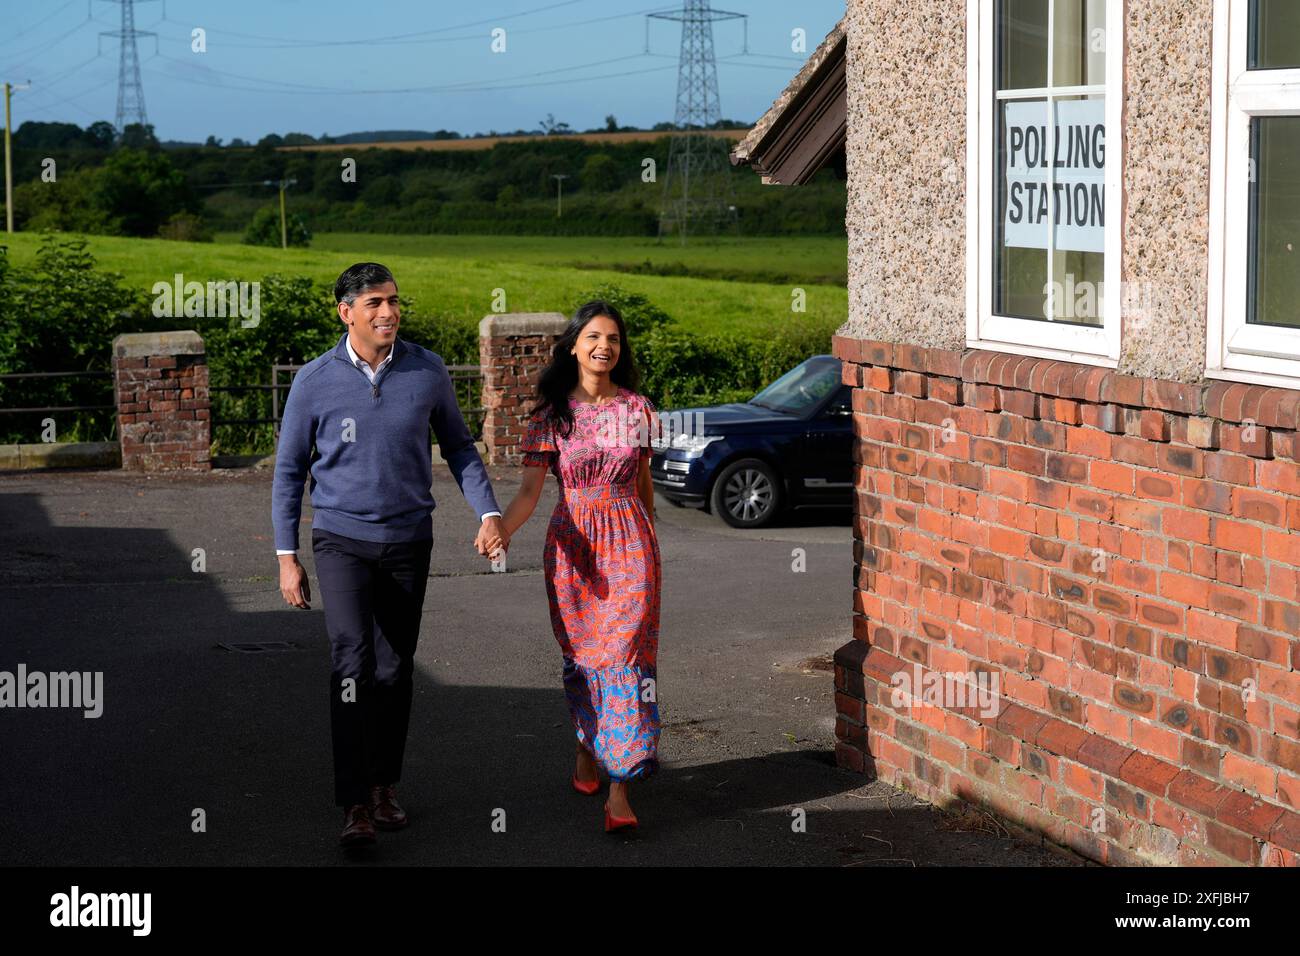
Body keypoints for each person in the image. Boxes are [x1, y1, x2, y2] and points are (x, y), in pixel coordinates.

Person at [271, 262, 506, 848]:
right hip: (341, 540)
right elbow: (288, 472)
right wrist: (286, 555)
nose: (388, 312)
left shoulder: (426, 371)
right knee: (351, 662)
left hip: (408, 540)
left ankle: (383, 786)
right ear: (345, 311)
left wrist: (488, 512)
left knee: (395, 667)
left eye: (394, 301)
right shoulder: (314, 380)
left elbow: (459, 446)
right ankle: (353, 801)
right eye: (374, 302)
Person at [496, 300, 662, 832]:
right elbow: (527, 493)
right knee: (583, 658)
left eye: (613, 339)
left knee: (625, 660)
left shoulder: (638, 410)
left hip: (631, 548)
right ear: (574, 345)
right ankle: (587, 745)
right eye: (593, 337)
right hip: (573, 549)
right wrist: (499, 528)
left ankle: (620, 788)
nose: (604, 347)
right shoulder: (552, 416)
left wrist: (650, 543)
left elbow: (643, 485)